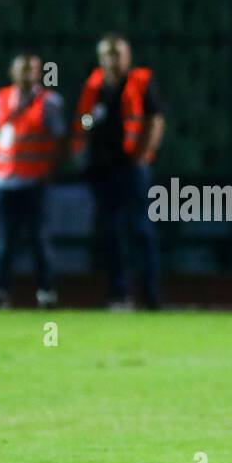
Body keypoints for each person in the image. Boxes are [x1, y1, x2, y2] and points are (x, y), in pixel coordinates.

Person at [71, 33, 165, 309]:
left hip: (132, 165)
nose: (113, 60)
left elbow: (155, 120)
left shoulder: (141, 83)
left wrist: (143, 156)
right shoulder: (95, 87)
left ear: (128, 57)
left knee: (140, 230)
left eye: (118, 54)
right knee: (110, 232)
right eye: (108, 55)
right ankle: (119, 293)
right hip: (102, 168)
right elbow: (83, 121)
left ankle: (150, 295)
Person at [0, 52, 65, 307]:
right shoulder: (1, 98)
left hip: (35, 182)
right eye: (22, 69)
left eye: (31, 70)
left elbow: (59, 141)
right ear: (12, 72)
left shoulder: (50, 102)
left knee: (39, 239)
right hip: (5, 181)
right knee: (4, 242)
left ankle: (46, 292)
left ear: (38, 73)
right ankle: (1, 292)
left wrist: (50, 171)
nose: (26, 74)